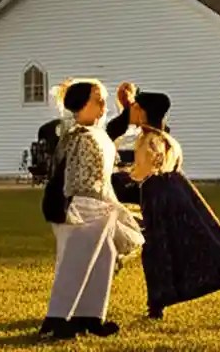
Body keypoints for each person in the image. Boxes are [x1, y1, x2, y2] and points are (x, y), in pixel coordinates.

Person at [127, 88, 220, 325]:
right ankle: (157, 305)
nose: (131, 111)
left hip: (164, 201)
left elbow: (141, 173)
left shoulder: (152, 141)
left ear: (144, 112)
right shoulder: (161, 138)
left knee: (165, 250)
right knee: (181, 251)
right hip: (178, 196)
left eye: (135, 107)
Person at [39, 78, 144, 341]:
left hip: (99, 205)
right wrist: (77, 206)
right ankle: (57, 319)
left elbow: (112, 131)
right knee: (76, 261)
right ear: (81, 105)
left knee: (104, 257)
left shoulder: (95, 133)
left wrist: (125, 106)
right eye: (97, 100)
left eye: (102, 101)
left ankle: (91, 316)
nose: (102, 105)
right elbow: (70, 179)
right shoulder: (76, 136)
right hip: (77, 207)